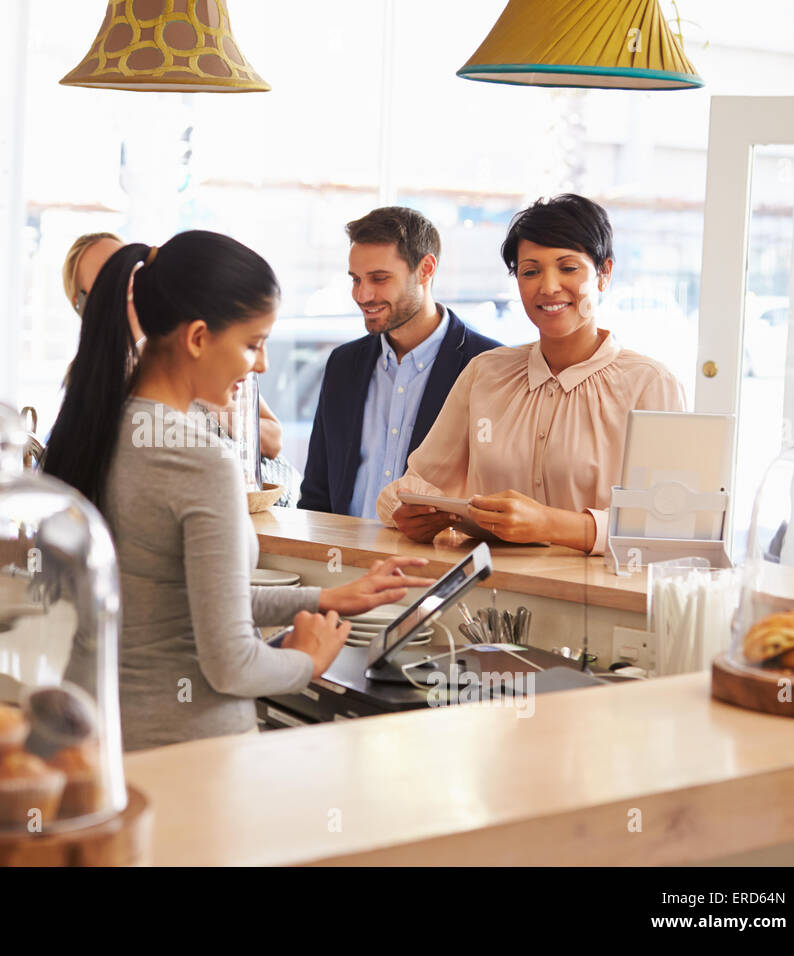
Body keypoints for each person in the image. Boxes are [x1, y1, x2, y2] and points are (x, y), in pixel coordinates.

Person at [43, 231, 431, 750]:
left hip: (100, 739)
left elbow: (178, 595)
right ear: (199, 337)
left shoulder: (102, 424)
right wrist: (308, 661)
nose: (262, 365)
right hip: (187, 749)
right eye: (253, 343)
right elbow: (232, 666)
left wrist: (325, 598)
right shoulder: (200, 460)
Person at [376, 193, 686, 554]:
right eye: (530, 271)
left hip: (604, 603)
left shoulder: (651, 385)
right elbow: (402, 491)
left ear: (604, 274)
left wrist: (550, 524)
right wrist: (419, 514)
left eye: (568, 267)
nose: (548, 286)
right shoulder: (485, 373)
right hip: (488, 597)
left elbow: (672, 527)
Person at [59, 232, 295, 499]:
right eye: (106, 273)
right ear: (82, 303)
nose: (122, 277)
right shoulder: (94, 379)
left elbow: (273, 440)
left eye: (125, 266)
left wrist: (209, 392)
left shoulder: (202, 356)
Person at [300, 207, 502, 517]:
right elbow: (317, 494)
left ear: (426, 269)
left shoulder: (488, 367)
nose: (363, 295)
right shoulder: (342, 365)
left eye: (379, 279)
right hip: (345, 561)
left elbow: (493, 498)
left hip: (436, 562)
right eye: (356, 279)